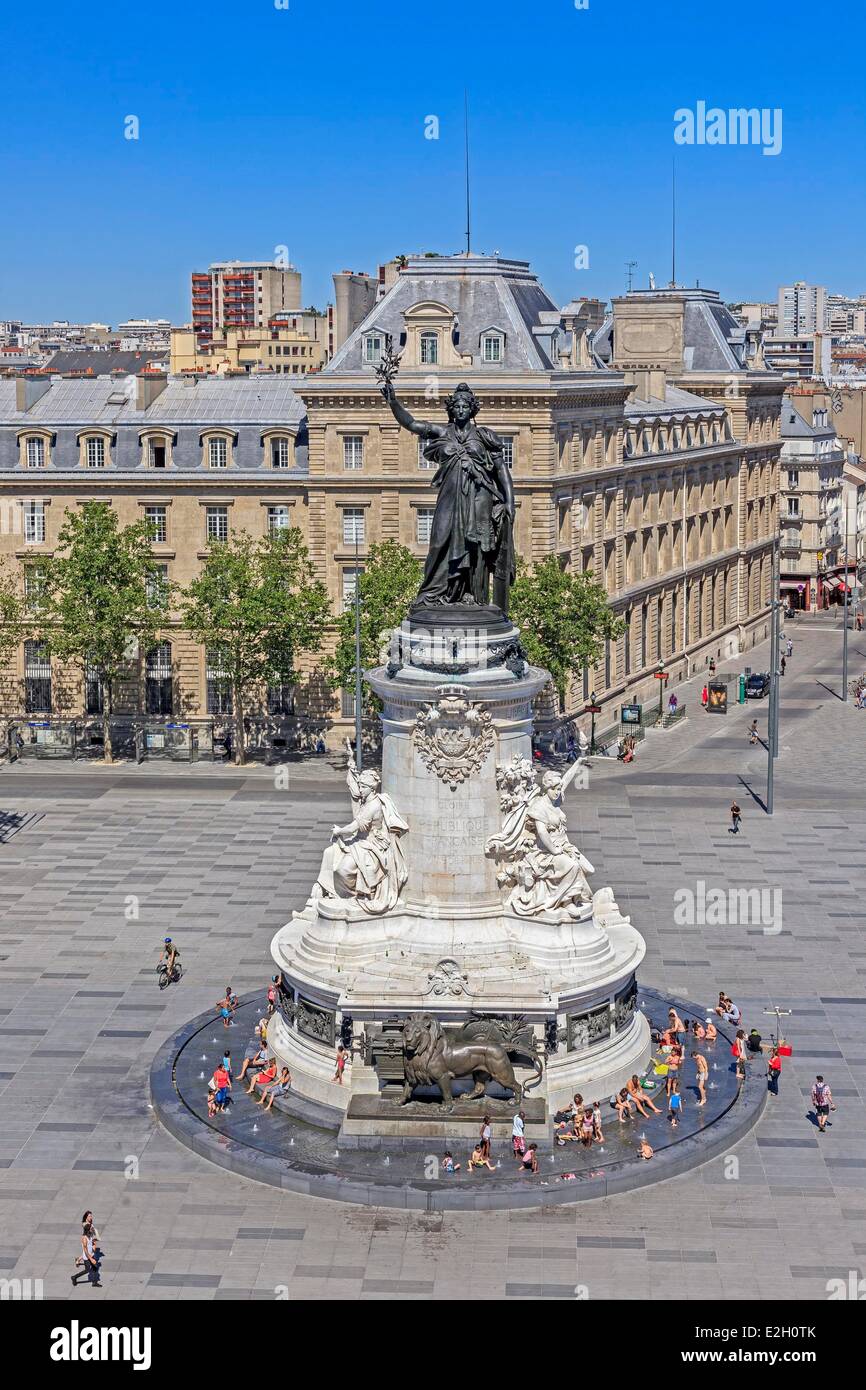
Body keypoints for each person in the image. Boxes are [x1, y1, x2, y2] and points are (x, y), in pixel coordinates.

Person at [71, 1222, 102, 1288]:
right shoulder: (84, 1238)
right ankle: (74, 1277)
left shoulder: (90, 1234)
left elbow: (97, 1239)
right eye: (91, 1229)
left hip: (91, 1254)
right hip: (87, 1257)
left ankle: (94, 1283)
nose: (92, 1229)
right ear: (88, 1230)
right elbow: (85, 1251)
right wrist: (91, 1259)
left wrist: (96, 1234)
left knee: (94, 1268)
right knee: (87, 1270)